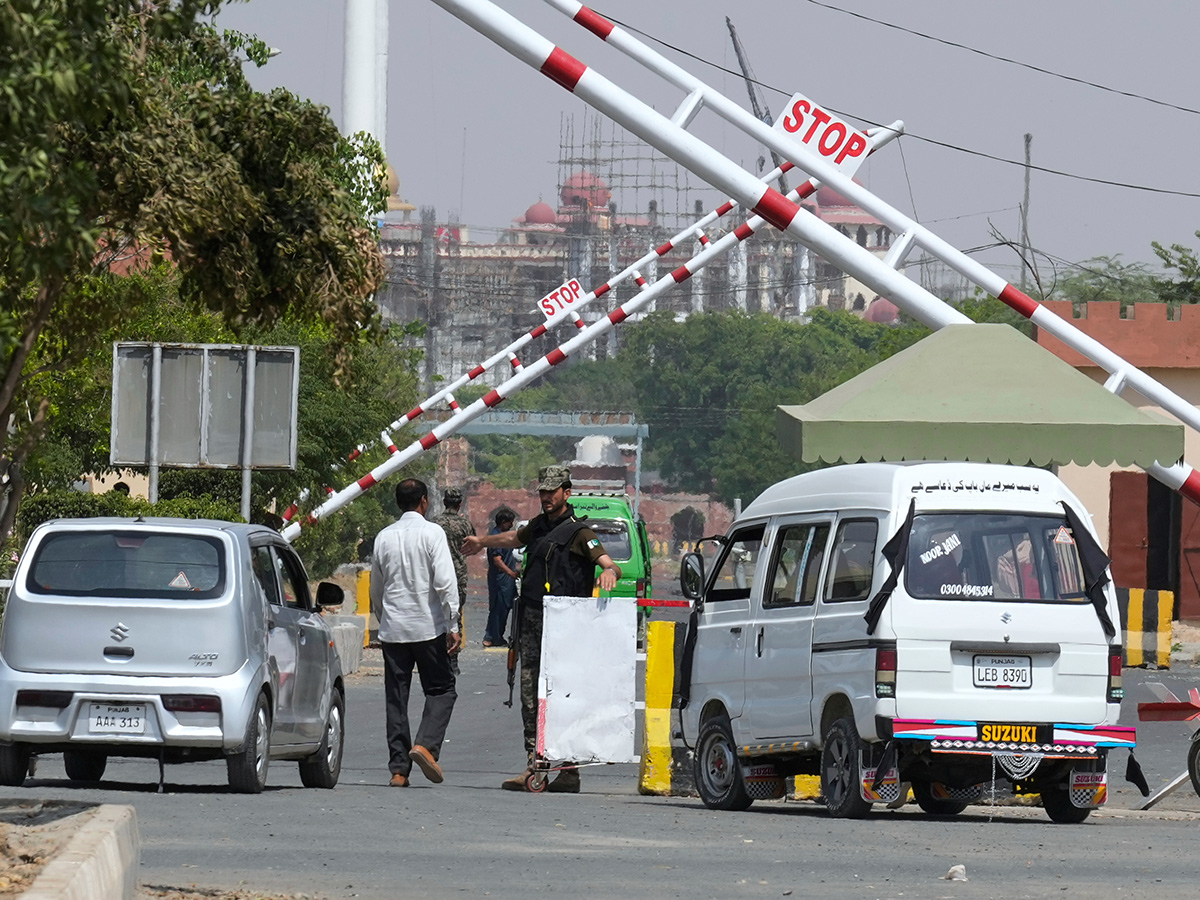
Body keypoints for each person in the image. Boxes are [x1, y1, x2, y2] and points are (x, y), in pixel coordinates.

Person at [463, 465, 621, 793]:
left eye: (552, 491)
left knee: (565, 696)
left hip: (567, 627)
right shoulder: (538, 527)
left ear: (567, 492)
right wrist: (482, 541)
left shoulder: (579, 532)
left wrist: (611, 573)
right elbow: (513, 537)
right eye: (543, 492)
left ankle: (568, 769)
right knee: (530, 694)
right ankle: (536, 764)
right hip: (533, 621)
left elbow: (606, 561)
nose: (546, 498)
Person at [370, 478, 461, 788]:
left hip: (393, 630)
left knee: (396, 698)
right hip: (428, 627)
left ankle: (398, 769)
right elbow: (445, 583)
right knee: (442, 689)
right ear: (424, 501)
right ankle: (425, 745)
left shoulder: (384, 537)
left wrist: (384, 620)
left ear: (398, 503)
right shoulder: (433, 533)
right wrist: (454, 624)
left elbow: (376, 588)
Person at [432, 487, 476, 658]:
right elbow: (473, 545)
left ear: (444, 502)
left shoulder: (434, 523)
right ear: (460, 504)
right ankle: (453, 656)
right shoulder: (465, 524)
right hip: (458, 574)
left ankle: (436, 654)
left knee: (435, 612)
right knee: (455, 613)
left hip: (436, 574)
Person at [483, 509, 519, 647]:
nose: (511, 525)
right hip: (500, 579)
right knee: (498, 608)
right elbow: (497, 560)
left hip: (505, 579)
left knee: (504, 607)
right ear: (503, 522)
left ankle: (496, 636)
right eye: (510, 522)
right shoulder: (496, 538)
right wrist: (511, 573)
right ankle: (492, 637)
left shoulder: (502, 536)